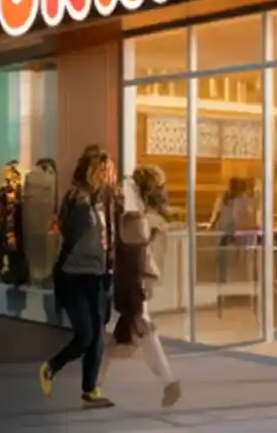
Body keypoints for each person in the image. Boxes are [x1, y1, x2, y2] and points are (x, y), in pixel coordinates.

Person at [39, 149, 120, 409]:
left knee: (97, 334)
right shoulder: (78, 198)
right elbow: (69, 230)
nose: (108, 176)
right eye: (104, 170)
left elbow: (106, 239)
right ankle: (52, 366)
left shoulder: (101, 201)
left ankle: (90, 388)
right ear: (91, 171)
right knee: (85, 335)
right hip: (74, 275)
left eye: (109, 171)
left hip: (98, 275)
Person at [99, 165, 181, 409]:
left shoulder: (138, 219)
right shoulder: (153, 218)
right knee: (135, 333)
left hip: (134, 283)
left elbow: (134, 251)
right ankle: (168, 382)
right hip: (141, 282)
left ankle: (95, 384)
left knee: (131, 332)